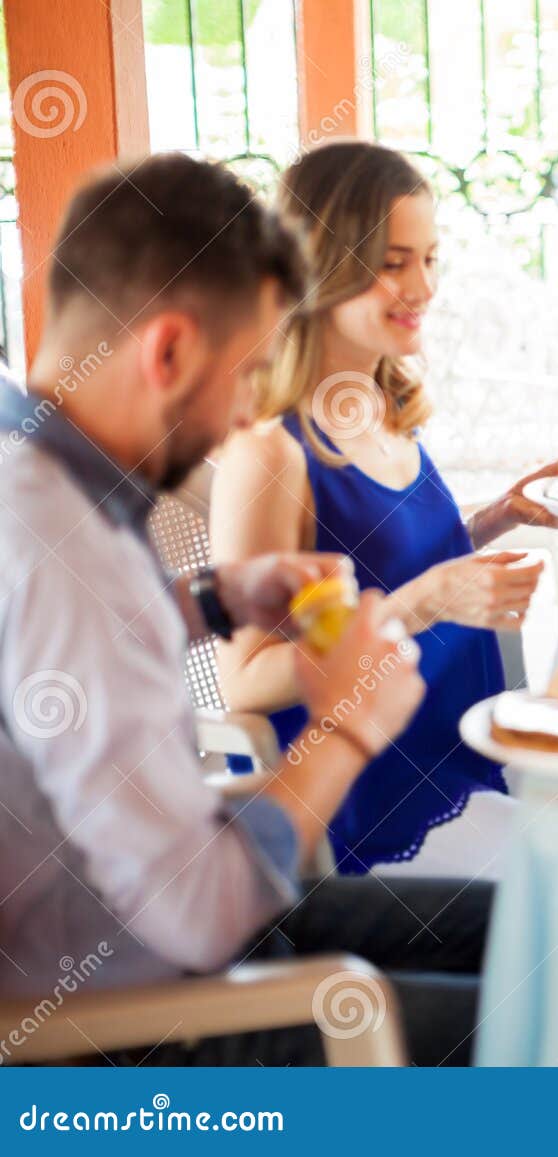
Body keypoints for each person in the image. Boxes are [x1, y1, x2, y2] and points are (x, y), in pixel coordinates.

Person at [0, 153, 486, 1066]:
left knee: (532, 929)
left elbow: (61, 649)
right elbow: (204, 910)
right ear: (170, 350)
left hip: (143, 912)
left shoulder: (32, 474)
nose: (241, 419)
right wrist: (345, 724)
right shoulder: (60, 552)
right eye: (246, 372)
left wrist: (214, 598)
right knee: (556, 1014)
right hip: (117, 1022)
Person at [212, 142, 558, 879]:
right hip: (378, 796)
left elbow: (380, 558)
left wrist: (495, 516)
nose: (423, 286)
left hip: (463, 747)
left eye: (431, 259)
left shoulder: (382, 402)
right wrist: (424, 601)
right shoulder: (270, 453)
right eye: (393, 262)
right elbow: (245, 678)